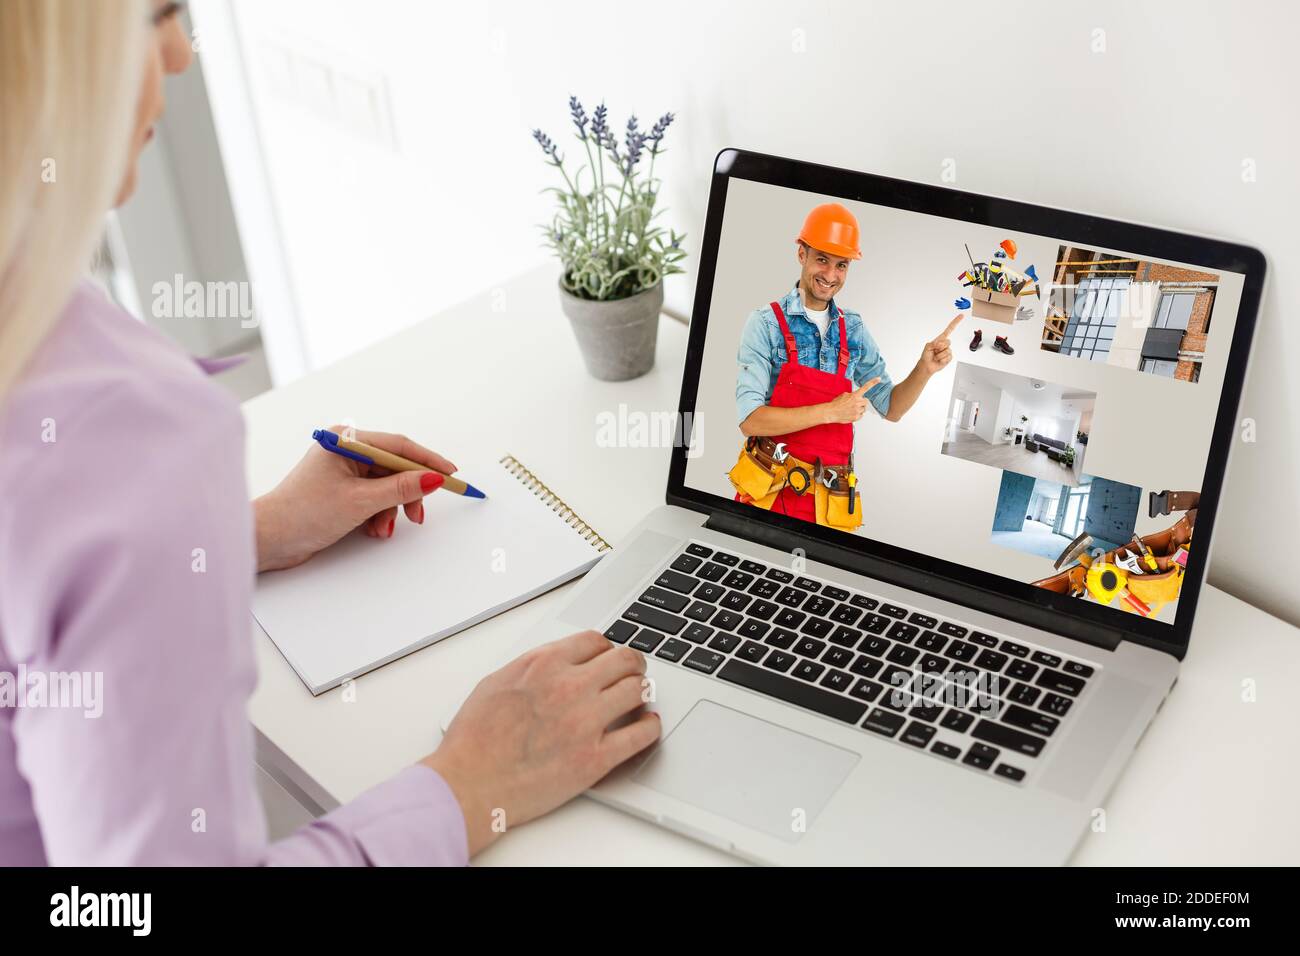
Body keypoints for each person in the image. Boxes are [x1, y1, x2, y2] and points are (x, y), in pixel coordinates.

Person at [0, 0, 658, 865]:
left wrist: (242, 532)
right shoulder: (130, 428)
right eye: (155, 13)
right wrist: (475, 779)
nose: (179, 54)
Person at [733, 203, 961, 524]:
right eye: (822, 259)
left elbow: (892, 408)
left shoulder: (852, 329)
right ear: (802, 254)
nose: (830, 275)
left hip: (827, 503)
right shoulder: (766, 323)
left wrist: (924, 369)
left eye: (841, 265)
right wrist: (831, 412)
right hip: (767, 491)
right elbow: (751, 421)